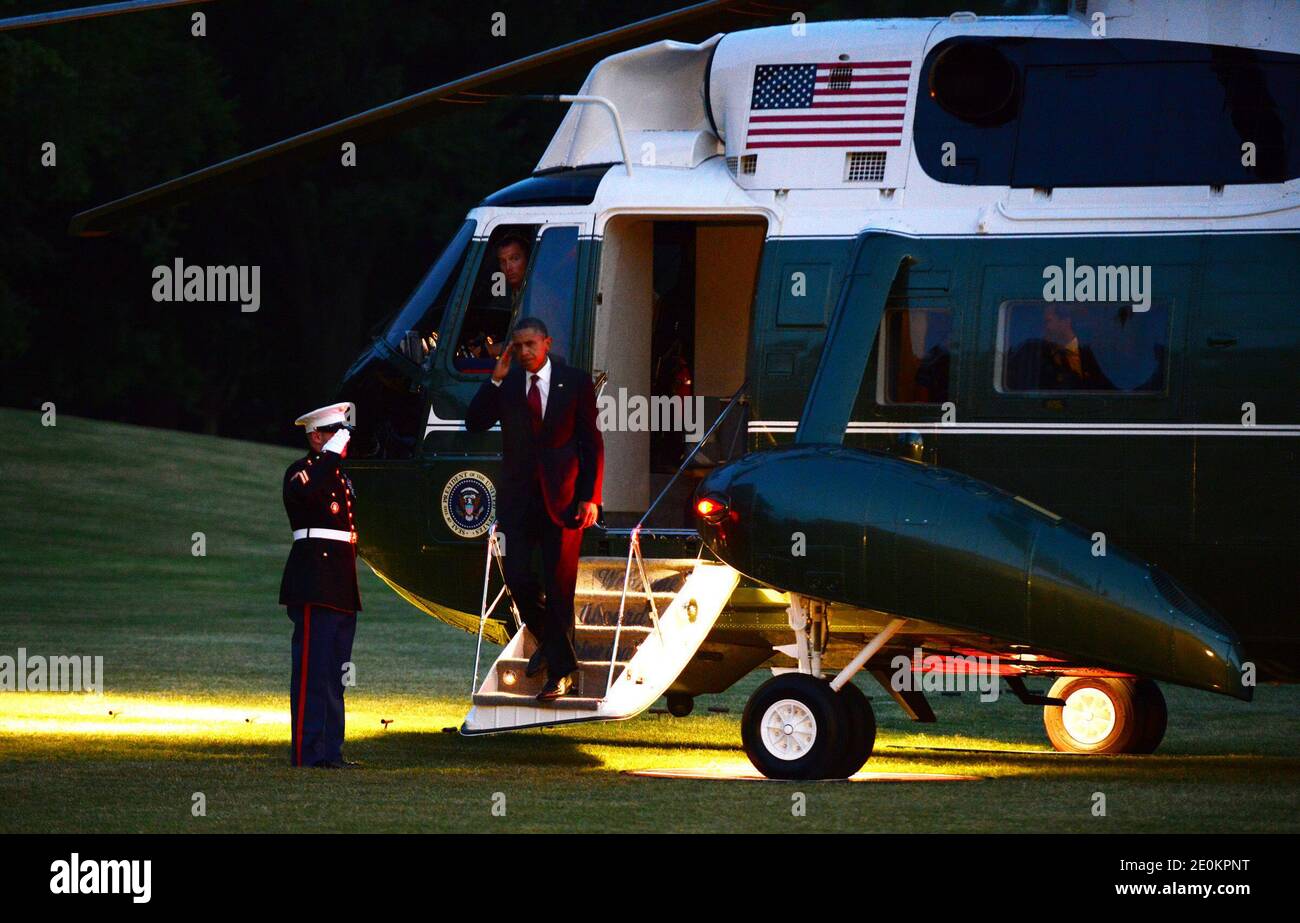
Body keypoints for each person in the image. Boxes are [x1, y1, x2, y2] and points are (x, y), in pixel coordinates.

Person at [466, 318, 604, 700]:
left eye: (531, 345)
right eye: (519, 346)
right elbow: (474, 422)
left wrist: (591, 495)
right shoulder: (508, 384)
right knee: (518, 581)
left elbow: (592, 442)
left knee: (560, 589)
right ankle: (556, 648)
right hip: (519, 501)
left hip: (564, 501)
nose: (525, 352)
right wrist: (494, 380)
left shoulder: (574, 381)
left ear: (547, 342)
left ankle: (560, 671)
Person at [280, 402, 362, 768]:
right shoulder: (303, 471)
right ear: (316, 436)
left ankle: (331, 751)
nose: (341, 439)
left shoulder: (339, 475)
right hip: (314, 579)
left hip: (341, 583)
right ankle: (306, 752)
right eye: (334, 432)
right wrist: (329, 455)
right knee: (312, 671)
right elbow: (308, 495)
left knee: (335, 673)